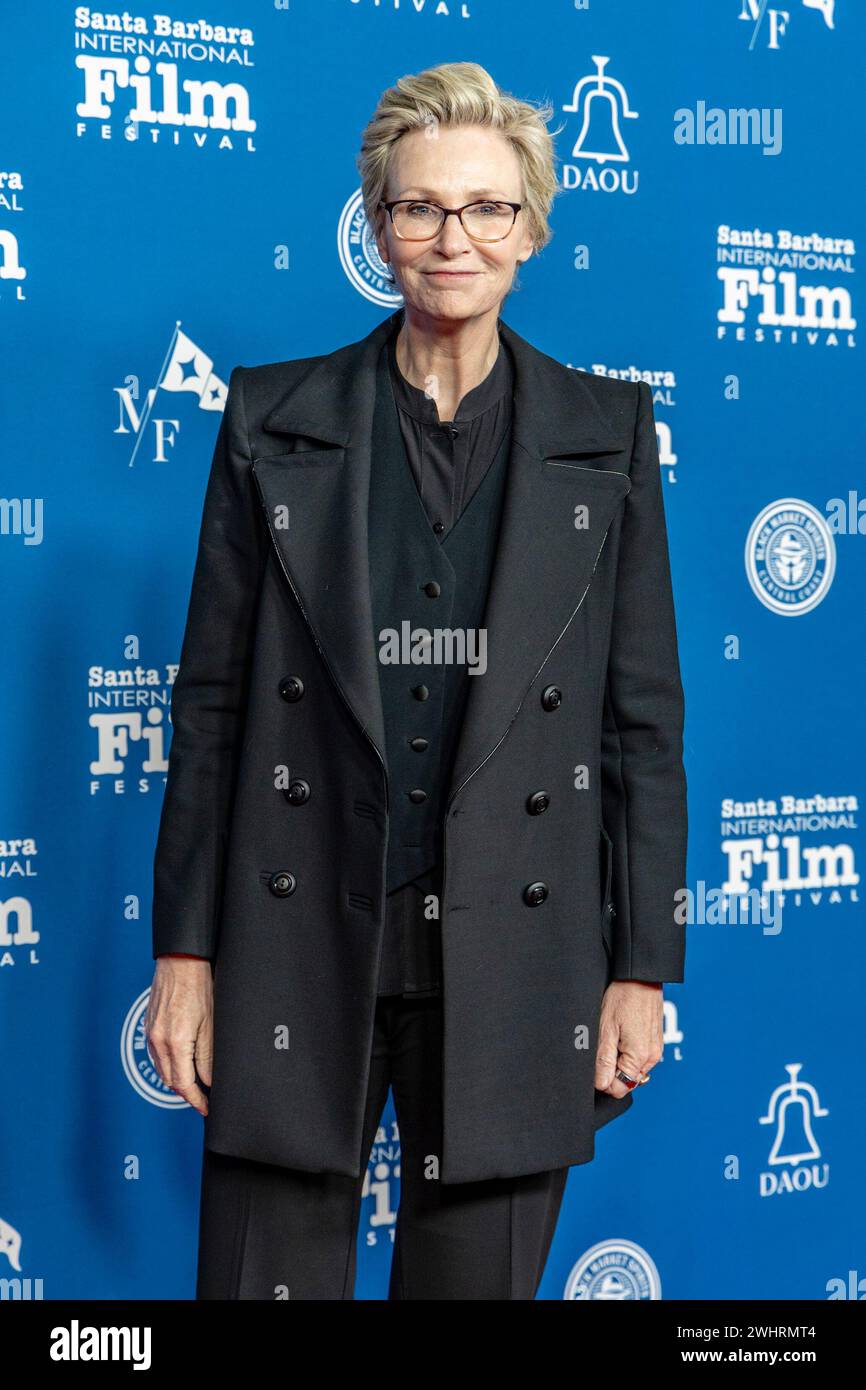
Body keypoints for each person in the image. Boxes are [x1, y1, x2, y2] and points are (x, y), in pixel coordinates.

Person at [146, 60, 687, 1301]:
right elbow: (214, 704)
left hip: (519, 956)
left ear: (532, 229)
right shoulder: (272, 416)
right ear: (377, 224)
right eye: (420, 208)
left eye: (486, 209)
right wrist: (186, 956)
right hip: (294, 942)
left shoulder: (606, 433)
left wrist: (638, 966)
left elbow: (640, 723)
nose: (454, 238)